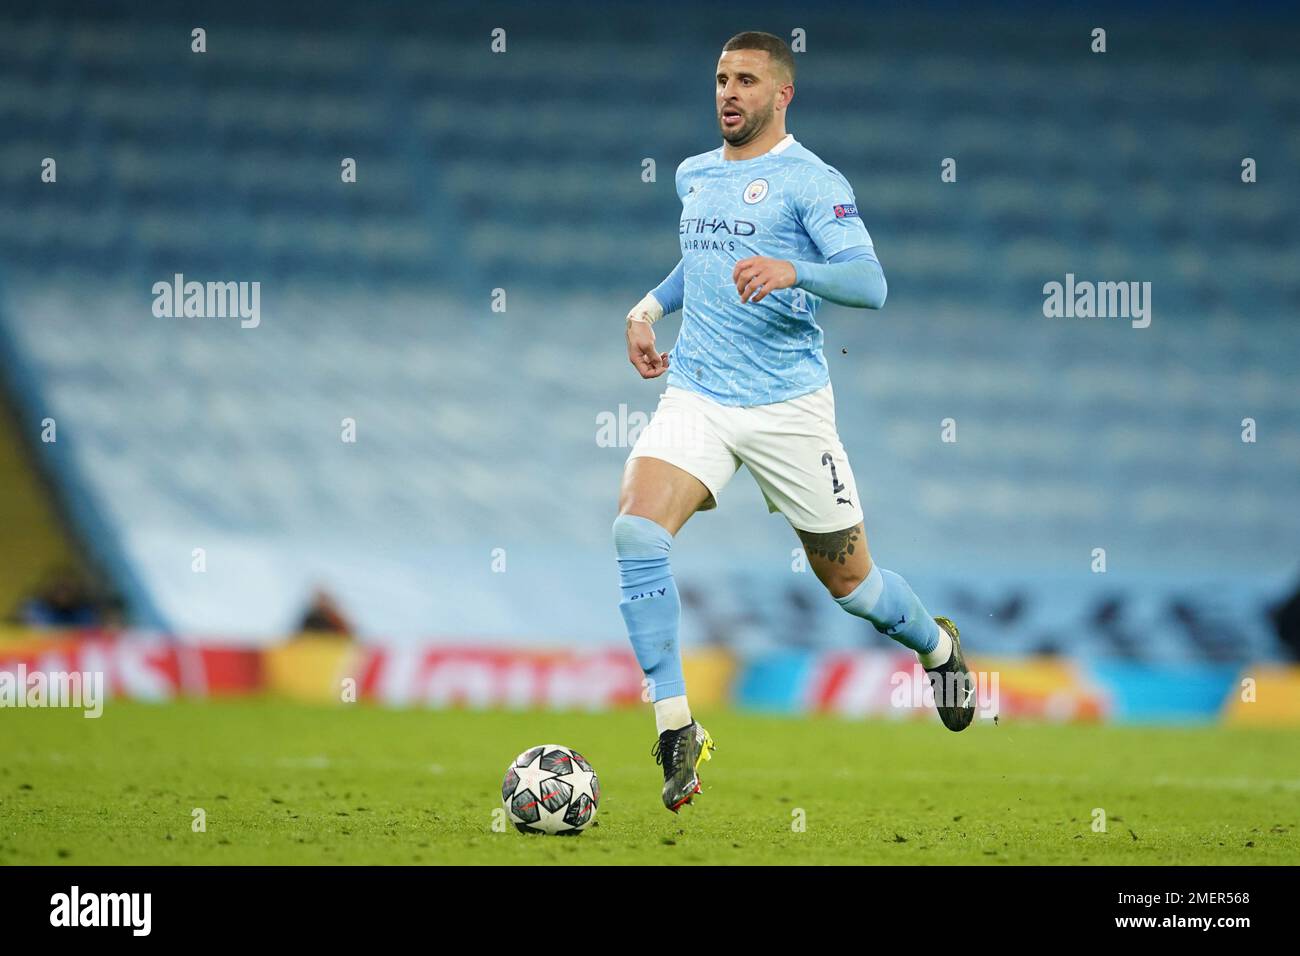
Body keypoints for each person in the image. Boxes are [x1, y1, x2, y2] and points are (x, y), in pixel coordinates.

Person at [613, 31, 975, 814]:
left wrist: (795, 270)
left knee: (854, 586)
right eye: (719, 79)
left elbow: (870, 284)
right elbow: (699, 255)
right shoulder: (695, 175)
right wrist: (648, 308)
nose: (728, 93)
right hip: (700, 394)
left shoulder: (813, 182)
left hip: (788, 410)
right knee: (636, 533)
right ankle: (676, 727)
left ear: (783, 94)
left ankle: (939, 649)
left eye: (746, 80)